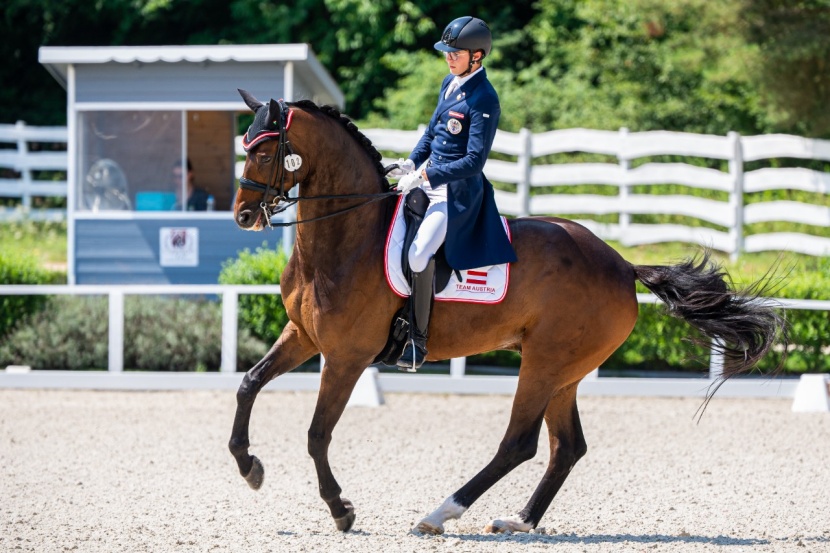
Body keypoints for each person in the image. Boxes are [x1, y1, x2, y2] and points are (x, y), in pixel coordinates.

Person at [392, 16, 518, 371]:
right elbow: (432, 134)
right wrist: (411, 163)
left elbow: (474, 161)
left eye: (455, 52)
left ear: (477, 56)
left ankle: (417, 342)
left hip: (455, 195)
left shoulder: (484, 98)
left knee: (418, 257)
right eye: (446, 51)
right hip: (426, 181)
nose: (449, 57)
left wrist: (426, 174)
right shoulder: (450, 82)